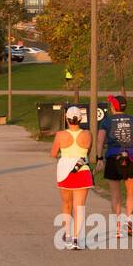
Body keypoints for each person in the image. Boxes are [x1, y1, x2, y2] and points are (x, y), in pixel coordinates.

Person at [97, 97, 133, 236]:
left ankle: (118, 226)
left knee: (116, 194)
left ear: (113, 107)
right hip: (131, 158)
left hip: (113, 158)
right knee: (131, 193)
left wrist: (99, 159)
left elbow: (100, 141)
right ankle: (128, 221)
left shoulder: (107, 121)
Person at [51, 106, 93, 249]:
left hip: (65, 172)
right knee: (79, 207)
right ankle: (77, 239)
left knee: (66, 204)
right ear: (81, 119)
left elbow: (53, 153)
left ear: (66, 118)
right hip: (82, 170)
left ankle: (67, 236)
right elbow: (88, 152)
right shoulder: (87, 134)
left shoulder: (60, 135)